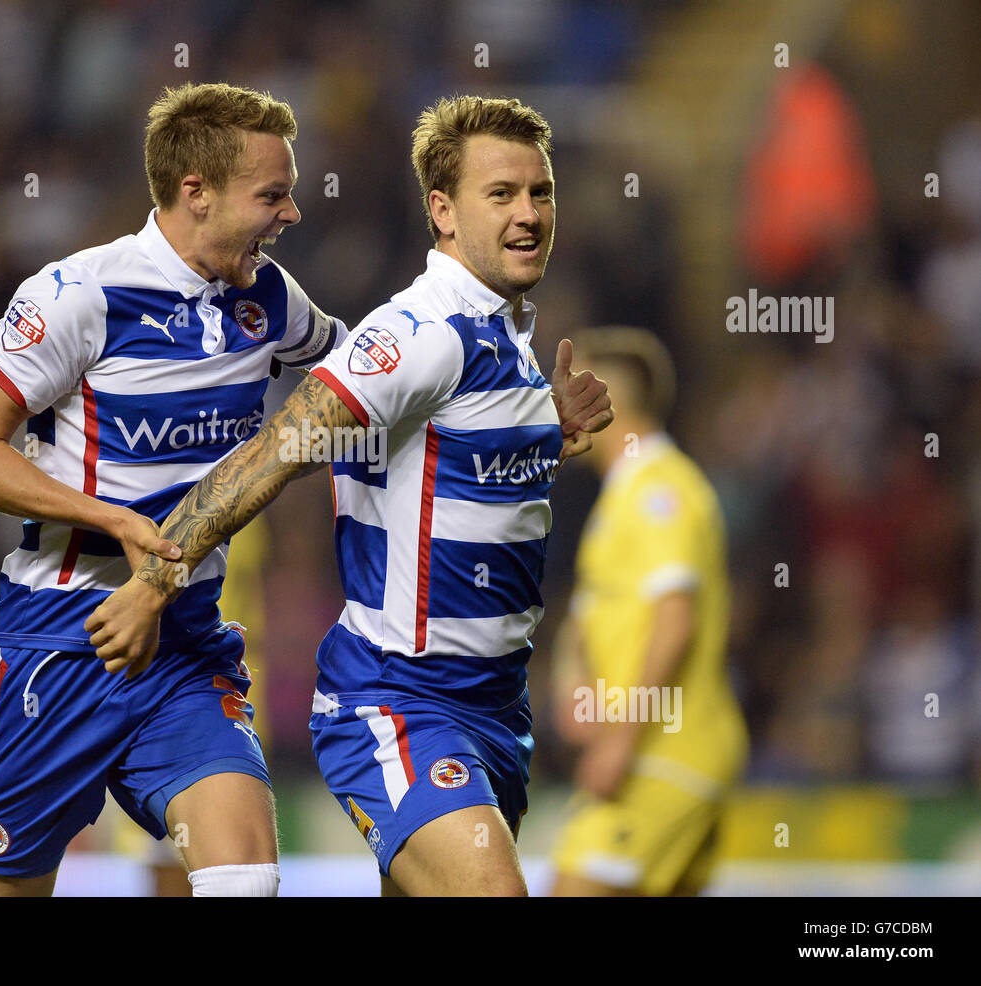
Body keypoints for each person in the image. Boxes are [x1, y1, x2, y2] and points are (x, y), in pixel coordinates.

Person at [87, 95, 613, 896]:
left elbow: (451, 475)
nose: (529, 213)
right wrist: (156, 580)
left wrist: (545, 428)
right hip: (399, 702)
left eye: (539, 193)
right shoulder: (419, 333)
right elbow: (276, 451)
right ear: (442, 210)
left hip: (496, 713)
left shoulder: (507, 341)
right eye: (499, 194)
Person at [0, 82, 345, 897]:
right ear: (197, 192)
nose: (292, 213)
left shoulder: (268, 296)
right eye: (273, 194)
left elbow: (368, 371)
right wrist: (108, 518)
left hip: (186, 646)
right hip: (59, 643)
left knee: (246, 879)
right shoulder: (77, 295)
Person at [547, 326, 748, 896]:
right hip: (668, 757)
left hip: (663, 756)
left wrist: (620, 741)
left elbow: (674, 619)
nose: (548, 399)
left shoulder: (662, 489)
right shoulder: (625, 492)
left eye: (563, 385)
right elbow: (592, 620)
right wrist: (574, 683)